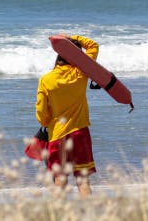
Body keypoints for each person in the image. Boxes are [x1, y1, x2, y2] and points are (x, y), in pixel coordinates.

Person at [35, 33, 99, 197]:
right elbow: (93, 46)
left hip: (58, 136)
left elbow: (42, 114)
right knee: (82, 181)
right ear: (76, 59)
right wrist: (71, 38)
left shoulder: (46, 80)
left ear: (57, 59)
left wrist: (48, 123)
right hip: (80, 133)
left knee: (60, 181)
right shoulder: (80, 73)